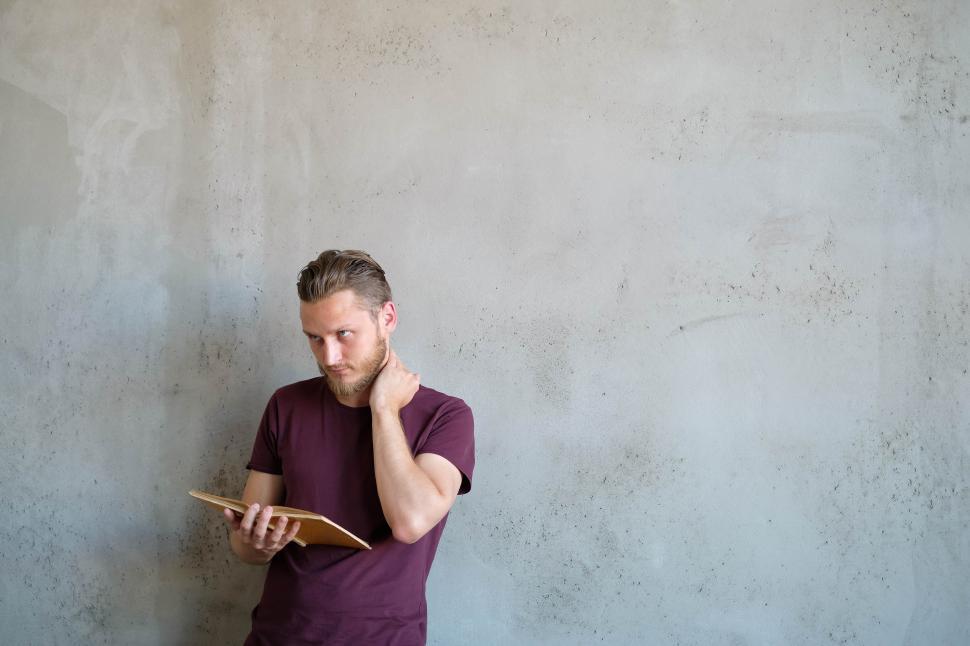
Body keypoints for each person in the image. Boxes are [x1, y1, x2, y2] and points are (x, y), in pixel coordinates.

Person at [222, 249, 475, 645]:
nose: (330, 357)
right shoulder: (285, 405)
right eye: (315, 339)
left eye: (343, 334)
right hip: (277, 635)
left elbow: (409, 523)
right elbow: (247, 546)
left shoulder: (446, 415)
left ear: (386, 318)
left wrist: (384, 410)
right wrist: (255, 543)